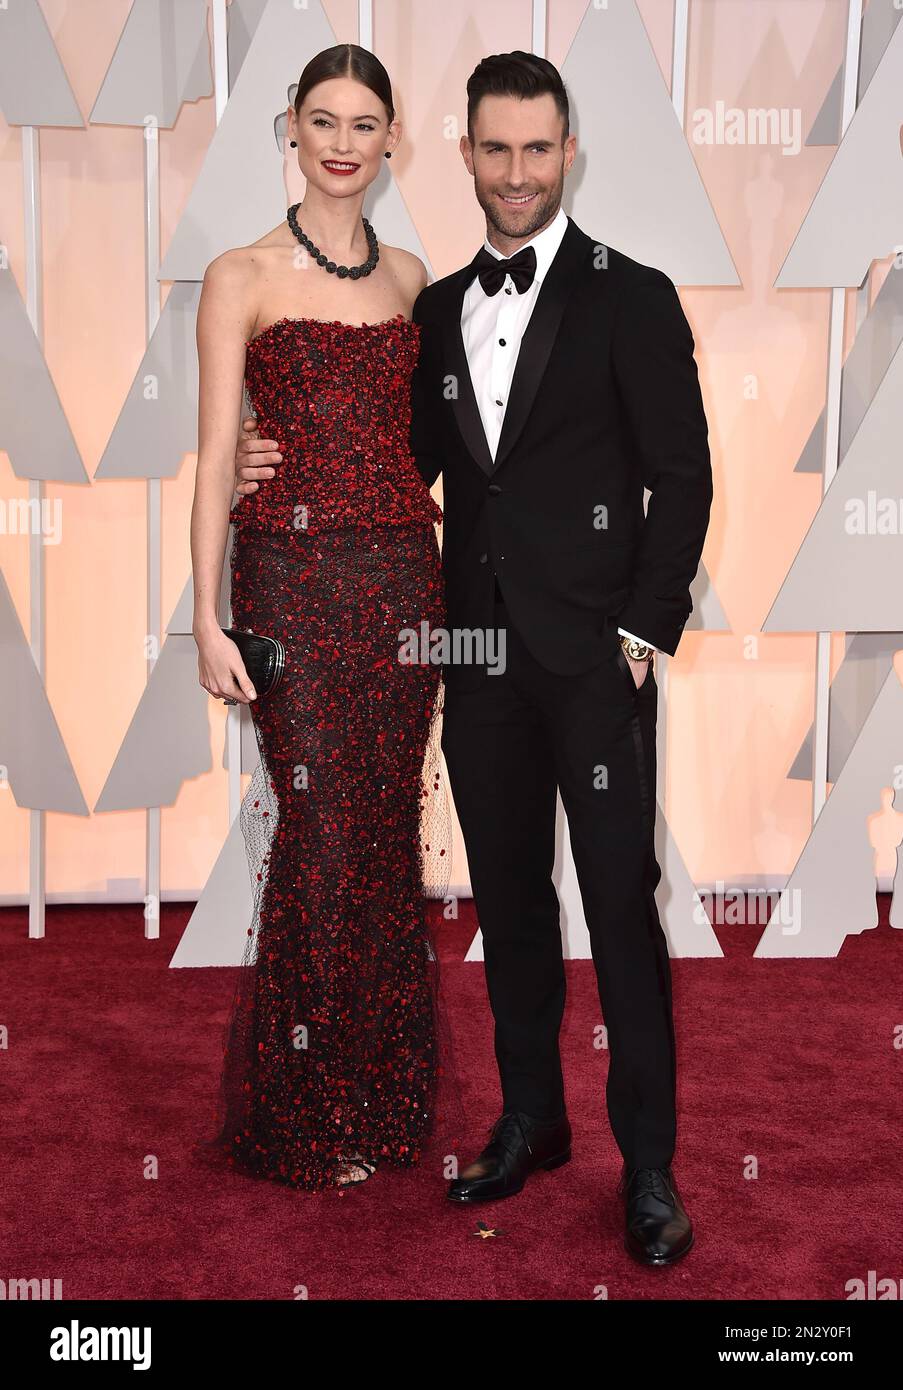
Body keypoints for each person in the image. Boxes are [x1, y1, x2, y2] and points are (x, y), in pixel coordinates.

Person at [235, 51, 713, 1263]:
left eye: (536, 150)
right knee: (507, 902)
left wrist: (645, 631)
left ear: (569, 155)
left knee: (618, 913)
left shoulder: (633, 296)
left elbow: (683, 476)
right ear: (462, 156)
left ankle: (648, 1168)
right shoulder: (437, 306)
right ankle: (531, 1123)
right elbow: (404, 467)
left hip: (599, 669)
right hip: (477, 658)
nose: (514, 173)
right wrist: (264, 453)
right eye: (493, 150)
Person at [190, 44, 449, 1191]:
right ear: (290, 127)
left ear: (392, 140)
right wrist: (204, 617)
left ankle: (383, 1097)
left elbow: (443, 449)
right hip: (289, 587)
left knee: (383, 832)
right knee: (317, 829)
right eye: (324, 120)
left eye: (366, 124)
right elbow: (212, 461)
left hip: (403, 583)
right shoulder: (237, 275)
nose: (344, 142)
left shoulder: (413, 275)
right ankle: (305, 1107)